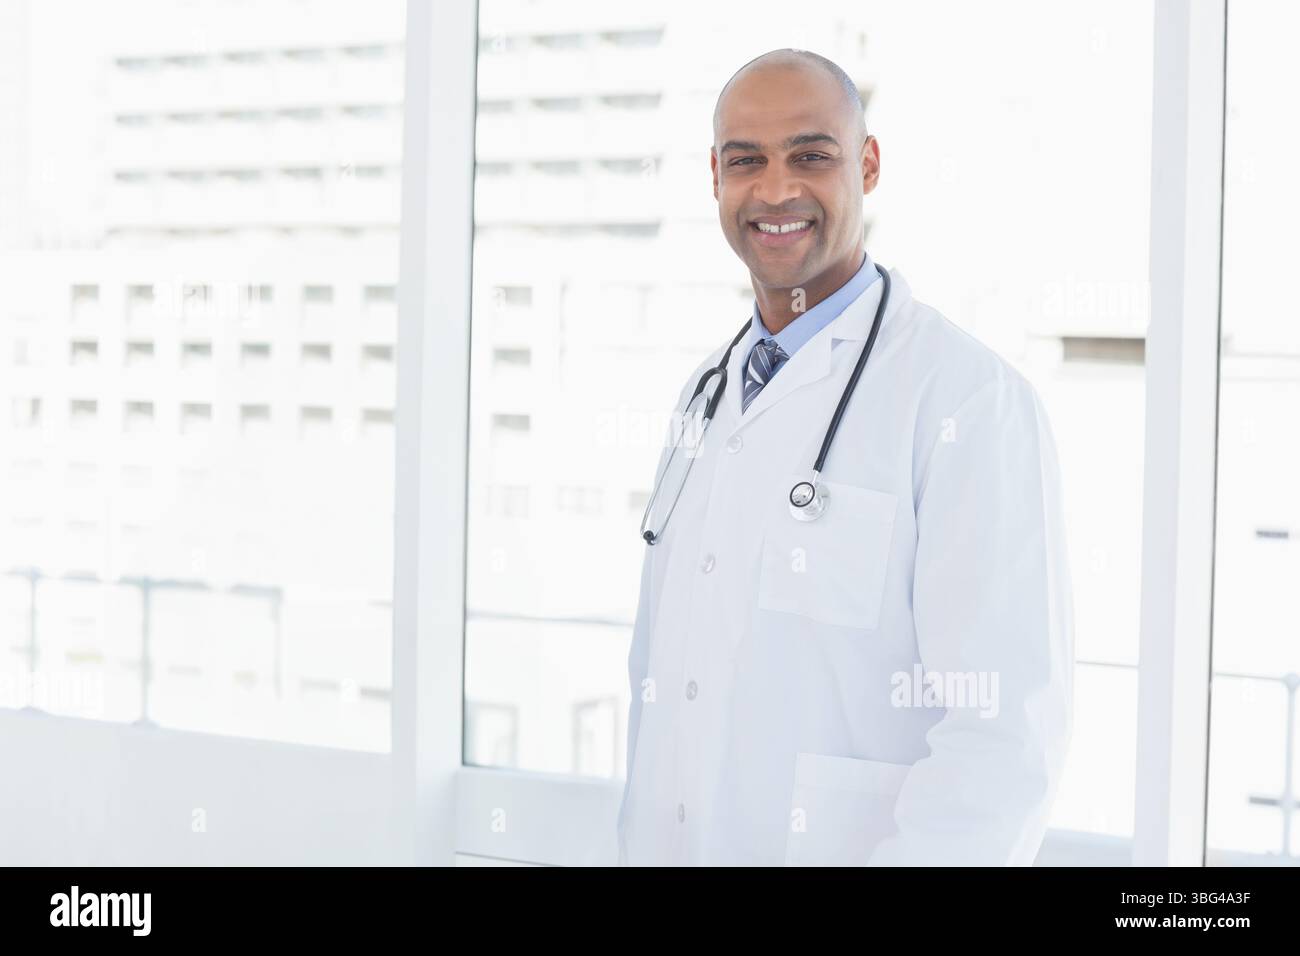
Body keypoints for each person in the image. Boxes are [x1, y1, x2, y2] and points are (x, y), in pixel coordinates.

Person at [616, 48, 1073, 866]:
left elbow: (1002, 741)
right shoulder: (706, 393)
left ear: (866, 164)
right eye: (745, 160)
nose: (776, 189)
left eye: (811, 155)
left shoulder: (965, 401)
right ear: (714, 177)